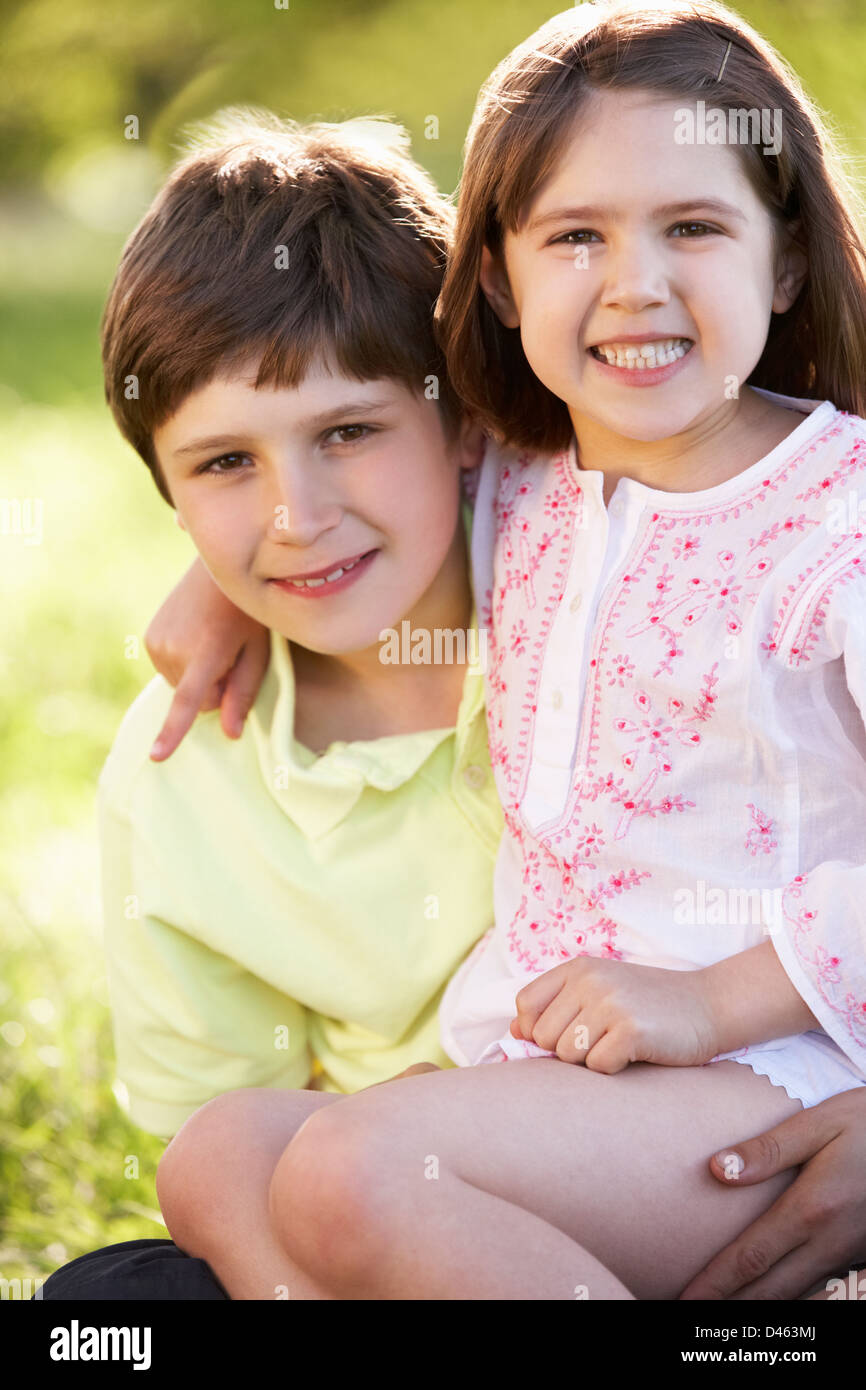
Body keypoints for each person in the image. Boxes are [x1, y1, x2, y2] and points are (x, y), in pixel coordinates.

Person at [146, 0, 866, 1300]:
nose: (633, 282)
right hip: (554, 1078)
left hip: (764, 1072)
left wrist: (713, 999)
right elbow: (355, 498)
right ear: (496, 278)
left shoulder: (839, 526)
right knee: (219, 1157)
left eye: (691, 227)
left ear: (784, 263)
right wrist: (219, 580)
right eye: (575, 235)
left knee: (353, 1175)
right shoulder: (526, 487)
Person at [36, 109, 502, 1300]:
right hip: (394, 1241)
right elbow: (223, 1156)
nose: (296, 514)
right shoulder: (177, 770)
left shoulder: (604, 600)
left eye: (346, 432)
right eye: (225, 464)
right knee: (104, 1308)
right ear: (167, 494)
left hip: (660, 1174)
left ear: (466, 419)